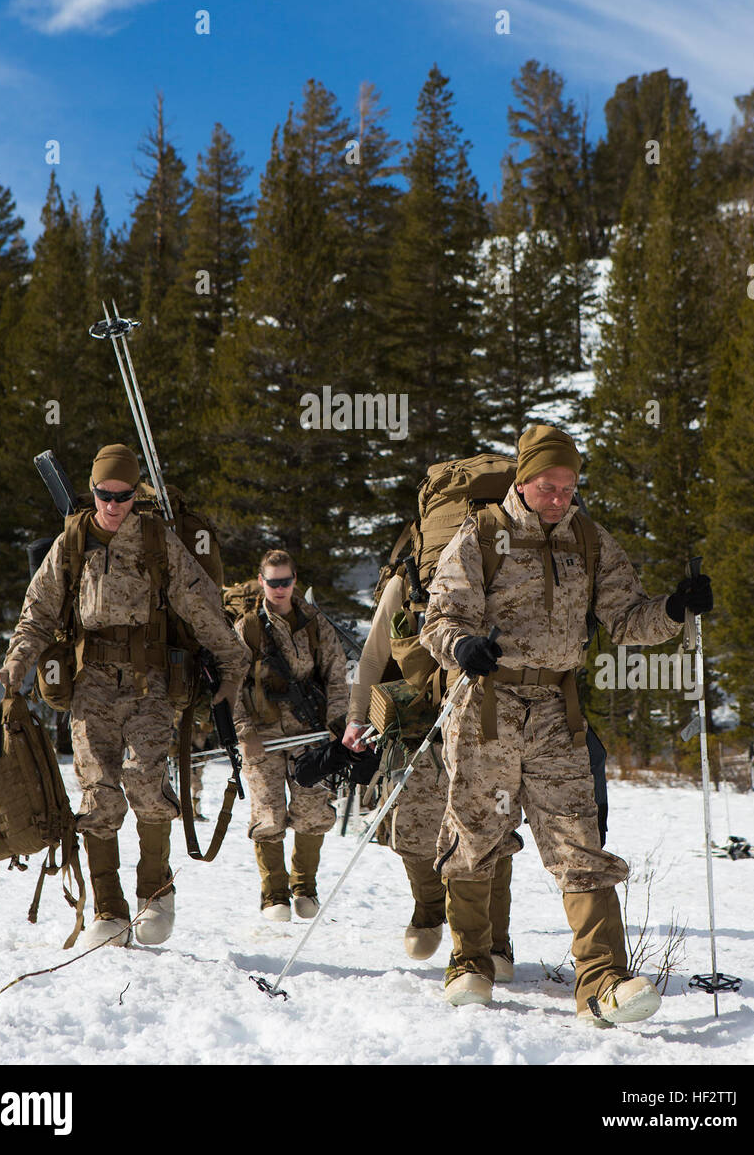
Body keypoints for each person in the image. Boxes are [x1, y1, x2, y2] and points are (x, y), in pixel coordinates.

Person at [420, 424, 712, 1021]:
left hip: (558, 709)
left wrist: (676, 610)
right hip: (487, 709)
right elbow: (438, 620)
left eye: (569, 487)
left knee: (578, 840)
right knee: (476, 834)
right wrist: (463, 647)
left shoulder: (590, 540)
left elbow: (628, 619)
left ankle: (601, 981)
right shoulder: (481, 536)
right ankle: (471, 961)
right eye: (548, 486)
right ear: (523, 482)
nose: (559, 498)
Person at [0, 443, 250, 948]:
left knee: (145, 782)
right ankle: (109, 911)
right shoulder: (71, 543)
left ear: (136, 494)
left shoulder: (157, 541)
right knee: (99, 795)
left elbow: (200, 604)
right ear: (92, 492)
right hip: (90, 683)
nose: (113, 505)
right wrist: (17, 663)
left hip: (150, 681)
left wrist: (234, 661)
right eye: (104, 494)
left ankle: (156, 894)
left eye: (123, 495)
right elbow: (38, 611)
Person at [343, 570, 515, 977]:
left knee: (493, 832)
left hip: (492, 719)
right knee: (415, 828)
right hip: (421, 720)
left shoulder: (508, 558)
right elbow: (373, 654)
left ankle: (494, 941)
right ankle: (429, 909)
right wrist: (356, 716)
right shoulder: (412, 574)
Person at [233, 550, 348, 921]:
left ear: (295, 580)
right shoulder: (248, 627)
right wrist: (244, 731)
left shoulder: (314, 623)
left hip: (309, 731)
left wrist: (335, 725)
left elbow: (335, 673)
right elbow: (231, 682)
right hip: (262, 734)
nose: (279, 589)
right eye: (272, 582)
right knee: (268, 814)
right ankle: (274, 894)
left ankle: (304, 887)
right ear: (262, 582)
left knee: (313, 812)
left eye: (285, 581)